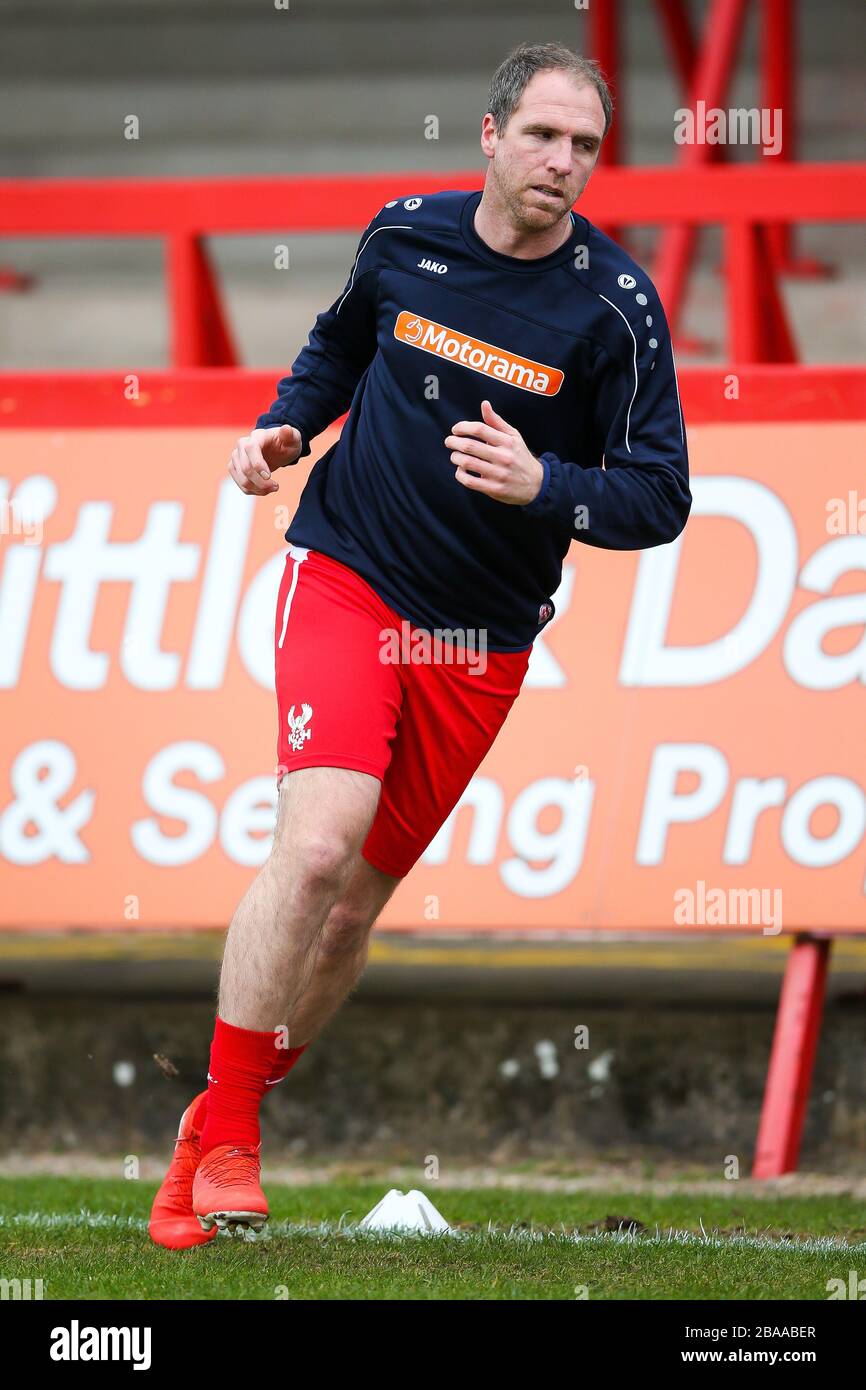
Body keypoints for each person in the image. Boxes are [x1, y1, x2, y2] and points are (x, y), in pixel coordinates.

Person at [149, 39, 690, 1249]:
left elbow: (658, 497)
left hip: (474, 636)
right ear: (489, 136)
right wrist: (283, 429)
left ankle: (216, 1114)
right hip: (345, 571)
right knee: (316, 845)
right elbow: (338, 348)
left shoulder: (615, 308)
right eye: (542, 136)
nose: (563, 162)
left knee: (349, 920)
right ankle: (234, 1139)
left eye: (586, 146)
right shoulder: (403, 234)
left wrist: (541, 483)